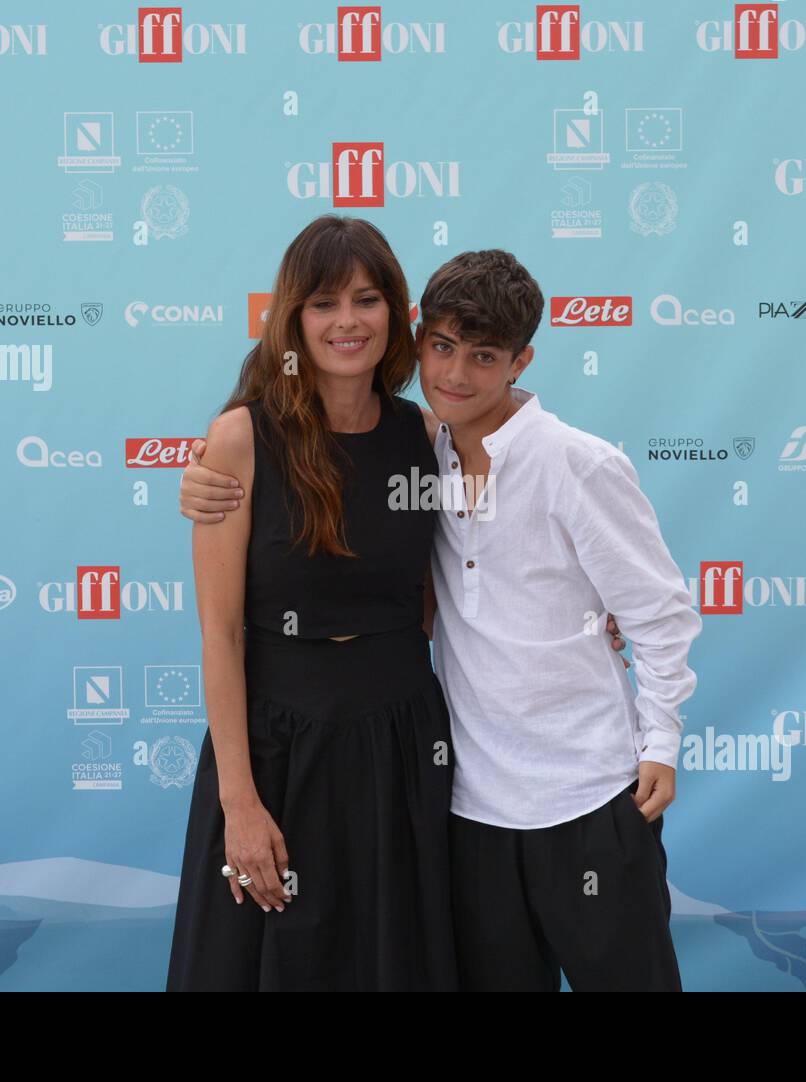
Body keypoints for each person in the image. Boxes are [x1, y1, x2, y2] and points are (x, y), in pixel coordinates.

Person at [179, 247, 697, 992]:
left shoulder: (489, 449)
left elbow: (654, 609)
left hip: (532, 782)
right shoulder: (407, 446)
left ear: (519, 361)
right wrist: (201, 486)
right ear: (419, 337)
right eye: (444, 348)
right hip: (418, 789)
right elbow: (240, 625)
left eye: (482, 356)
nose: (455, 374)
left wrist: (659, 733)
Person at [165, 214, 458, 991]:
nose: (347, 321)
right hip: (278, 758)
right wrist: (241, 804)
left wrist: (591, 615)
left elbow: (468, 581)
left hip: (401, 749)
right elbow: (221, 636)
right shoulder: (239, 439)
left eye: (366, 299)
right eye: (324, 303)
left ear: (395, 313)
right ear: (293, 318)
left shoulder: (425, 436)